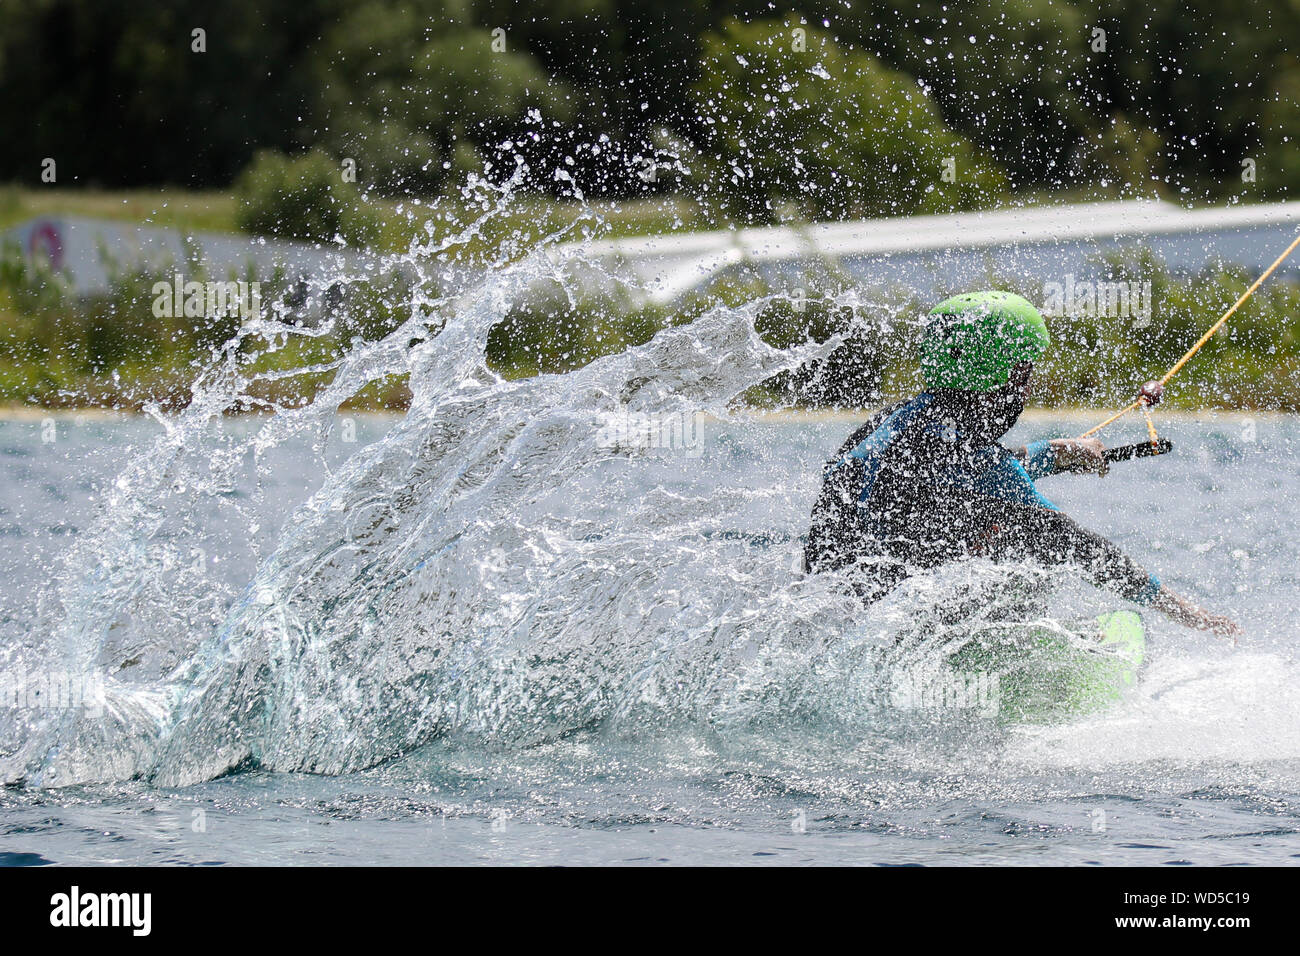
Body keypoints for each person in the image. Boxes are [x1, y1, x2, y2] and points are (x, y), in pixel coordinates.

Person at [804, 290, 1241, 637]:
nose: (1027, 393)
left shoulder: (891, 424)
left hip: (836, 610)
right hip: (887, 626)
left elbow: (962, 473)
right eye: (1025, 377)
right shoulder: (979, 463)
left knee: (988, 526)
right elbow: (1080, 545)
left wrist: (1057, 454)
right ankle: (1001, 649)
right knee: (1036, 544)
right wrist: (1192, 615)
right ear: (1002, 380)